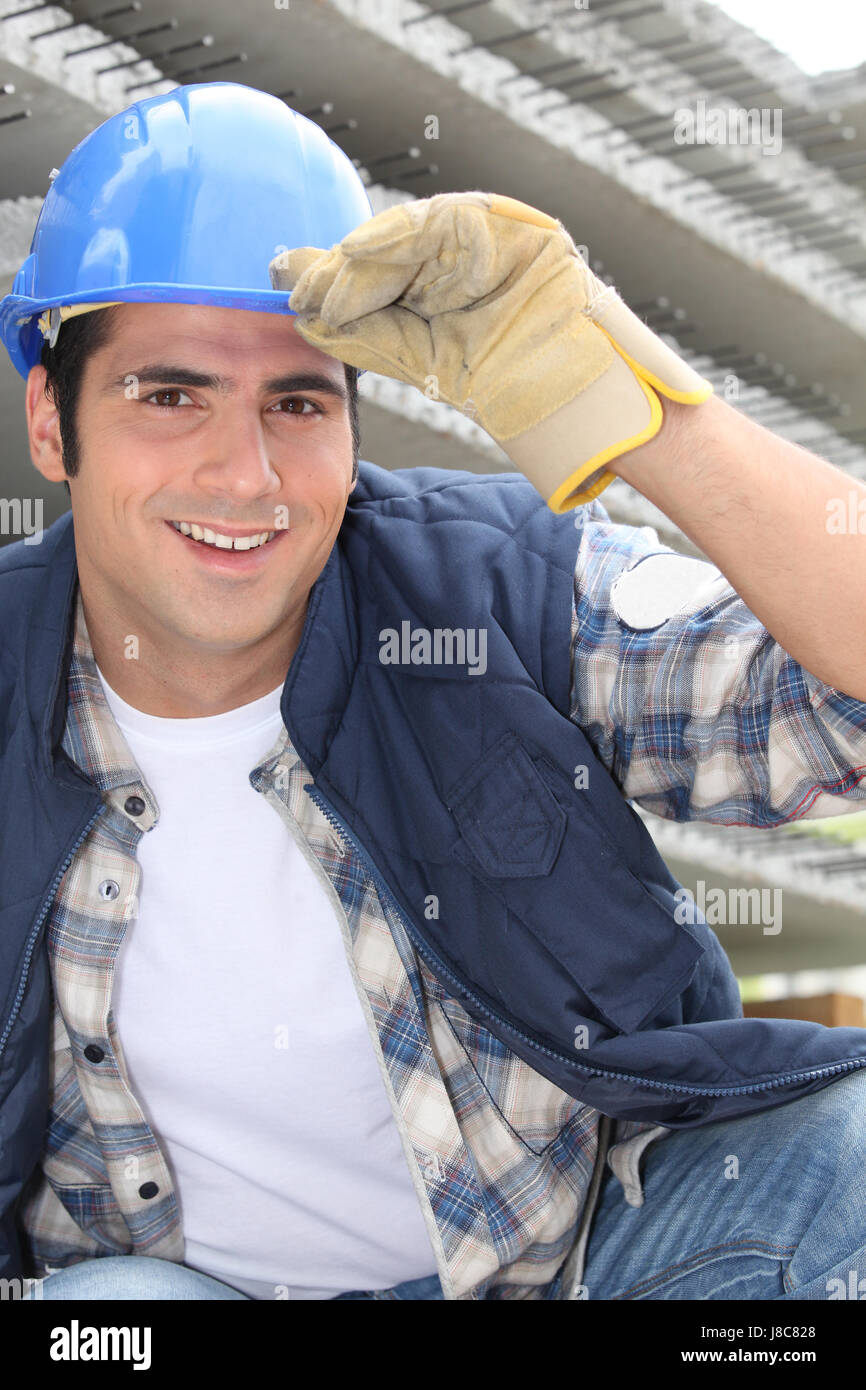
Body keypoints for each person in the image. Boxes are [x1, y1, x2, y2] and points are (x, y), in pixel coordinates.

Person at [1, 81, 865, 1303]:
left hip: (578, 1271)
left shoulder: (486, 594)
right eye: (170, 393)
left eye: (297, 402)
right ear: (50, 420)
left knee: (850, 1161)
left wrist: (629, 406)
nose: (245, 475)